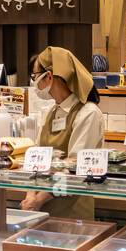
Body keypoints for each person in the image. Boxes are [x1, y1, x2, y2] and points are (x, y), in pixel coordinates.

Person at [20, 47, 105, 220]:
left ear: (49, 76)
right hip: (41, 211)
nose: (34, 82)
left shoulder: (88, 113)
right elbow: (36, 158)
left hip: (73, 214)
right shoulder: (51, 111)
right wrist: (30, 195)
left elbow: (74, 168)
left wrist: (38, 200)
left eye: (35, 76)